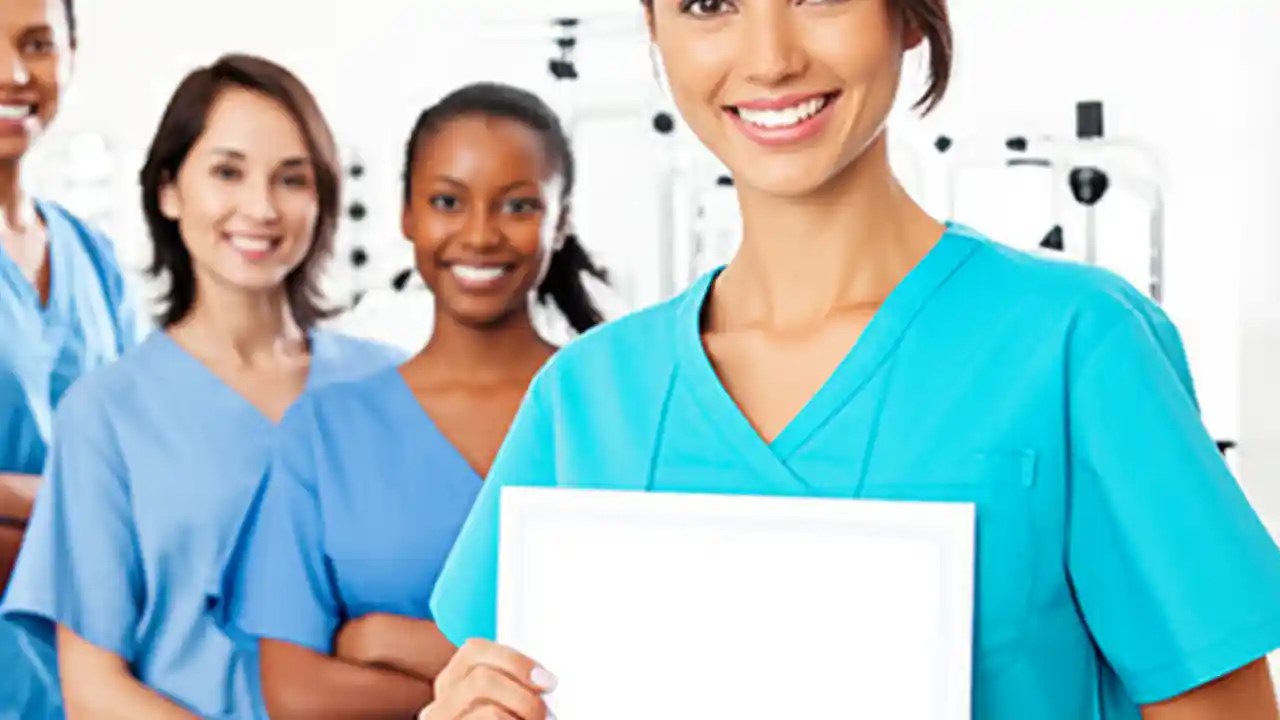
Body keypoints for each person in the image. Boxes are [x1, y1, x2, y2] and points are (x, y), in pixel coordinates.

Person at [420, 1, 1280, 718]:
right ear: (656, 31)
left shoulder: (1075, 347)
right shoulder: (587, 397)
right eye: (710, 3)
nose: (770, 59)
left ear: (909, 16)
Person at [0, 54, 403, 719]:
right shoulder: (107, 414)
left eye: (292, 179)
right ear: (168, 190)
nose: (262, 207)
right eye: (227, 172)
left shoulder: (387, 388)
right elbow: (94, 687)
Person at [215, 81, 610, 718]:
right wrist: (477, 690)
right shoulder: (327, 432)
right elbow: (297, 696)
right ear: (407, 215)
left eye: (517, 206)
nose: (479, 235)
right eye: (447, 201)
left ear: (561, 221)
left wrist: (395, 642)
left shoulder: (613, 408)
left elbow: (639, 662)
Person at [0, 0, 142, 716]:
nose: (13, 73)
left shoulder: (94, 259)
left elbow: (142, 479)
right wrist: (80, 516)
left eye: (37, 44)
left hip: (89, 681)